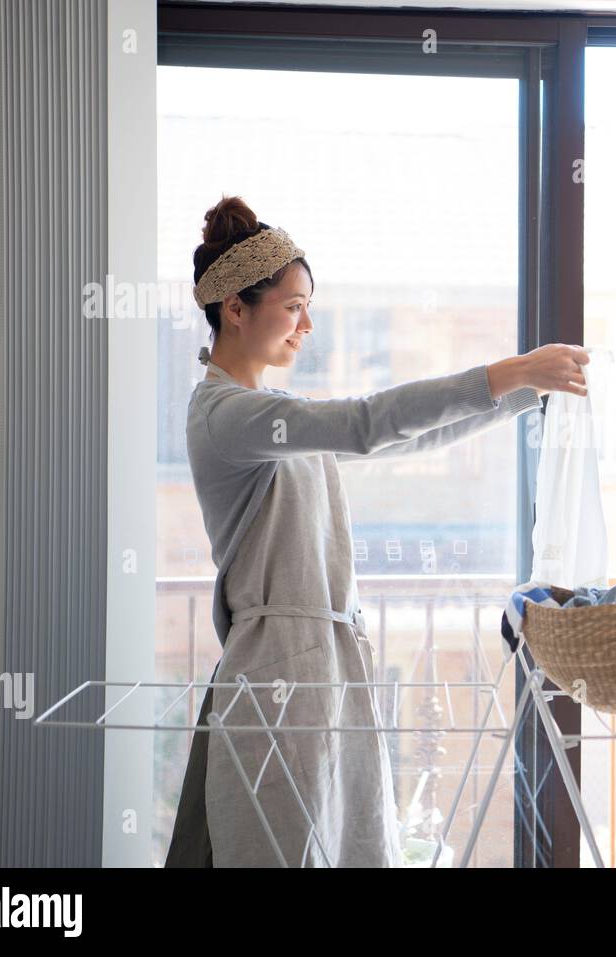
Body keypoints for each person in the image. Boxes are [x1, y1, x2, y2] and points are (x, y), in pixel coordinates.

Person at [165, 195, 590, 867]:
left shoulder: (273, 416)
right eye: (294, 304)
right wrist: (509, 370)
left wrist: (522, 395)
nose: (307, 324)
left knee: (343, 842)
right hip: (281, 669)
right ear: (235, 309)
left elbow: (396, 439)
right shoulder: (228, 416)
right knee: (286, 848)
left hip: (319, 662)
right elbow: (367, 423)